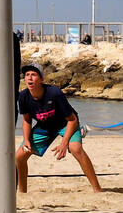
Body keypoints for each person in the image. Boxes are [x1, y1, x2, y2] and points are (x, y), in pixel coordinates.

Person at [16, 64, 101, 193]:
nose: (29, 78)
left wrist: (64, 144)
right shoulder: (23, 96)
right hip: (44, 127)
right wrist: (26, 140)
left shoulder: (54, 93)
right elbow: (27, 120)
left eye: (33, 75)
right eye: (27, 75)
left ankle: (97, 189)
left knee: (75, 148)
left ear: (41, 79)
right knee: (20, 155)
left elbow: (72, 120)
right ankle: (22, 191)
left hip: (65, 124)